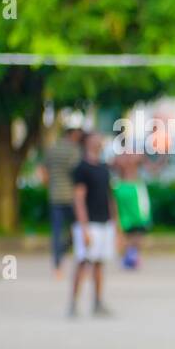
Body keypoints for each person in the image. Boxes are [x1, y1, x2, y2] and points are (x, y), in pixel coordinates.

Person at [68, 131, 119, 318]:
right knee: (83, 263)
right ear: (88, 142)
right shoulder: (82, 168)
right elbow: (79, 198)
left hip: (104, 222)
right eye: (96, 138)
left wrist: (116, 224)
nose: (100, 141)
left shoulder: (104, 168)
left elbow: (109, 197)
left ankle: (97, 302)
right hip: (88, 223)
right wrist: (83, 227)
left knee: (99, 263)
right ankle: (73, 303)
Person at [113, 141, 167, 270]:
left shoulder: (118, 159)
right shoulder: (136, 156)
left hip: (122, 188)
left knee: (130, 225)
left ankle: (130, 254)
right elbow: (153, 169)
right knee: (137, 225)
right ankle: (130, 254)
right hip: (132, 188)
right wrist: (164, 156)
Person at [39, 126, 82, 278]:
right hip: (71, 198)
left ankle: (57, 267)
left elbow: (43, 171)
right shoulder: (75, 151)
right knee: (78, 232)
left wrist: (49, 185)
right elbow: (78, 174)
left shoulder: (52, 149)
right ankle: (81, 263)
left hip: (55, 196)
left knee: (56, 233)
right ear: (72, 135)